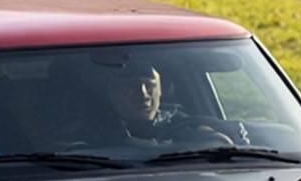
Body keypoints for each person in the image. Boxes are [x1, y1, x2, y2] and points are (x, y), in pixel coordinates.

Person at [74, 58, 239, 150]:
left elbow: (220, 144)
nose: (143, 94)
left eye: (150, 85)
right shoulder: (88, 133)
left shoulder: (183, 125)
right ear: (111, 92)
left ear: (161, 90)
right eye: (131, 86)